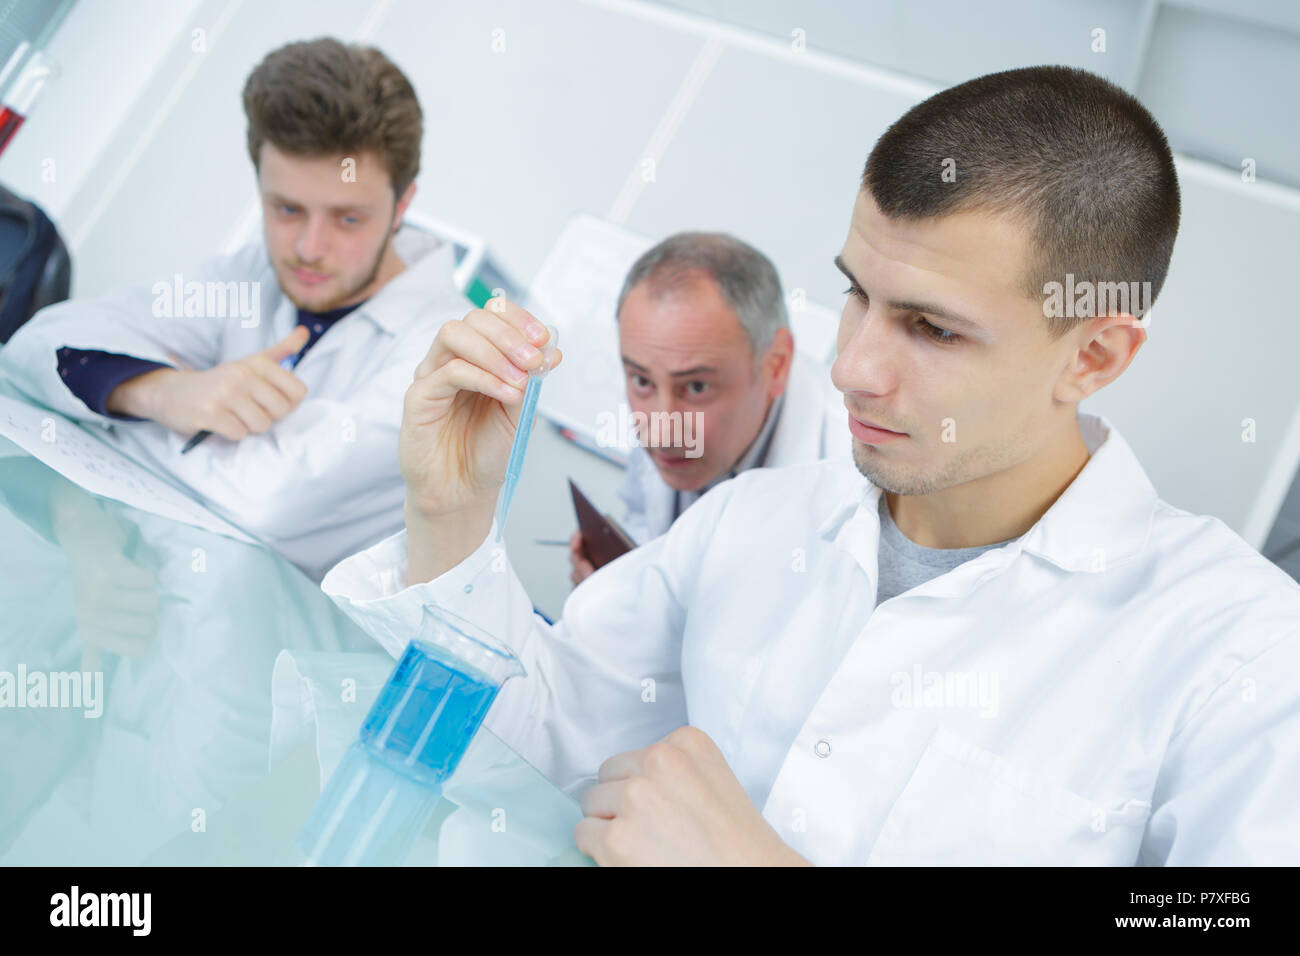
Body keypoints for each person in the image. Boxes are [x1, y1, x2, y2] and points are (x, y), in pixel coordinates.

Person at [321, 65, 1300, 865]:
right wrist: (448, 516)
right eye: (858, 295)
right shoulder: (753, 523)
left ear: (1091, 355)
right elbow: (516, 752)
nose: (852, 366)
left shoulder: (1241, 656)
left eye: (931, 328)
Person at [0, 38, 471, 581]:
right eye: (287, 208)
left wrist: (117, 411)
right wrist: (164, 392)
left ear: (403, 206)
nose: (309, 248)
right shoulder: (250, 273)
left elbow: (268, 507)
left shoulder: (443, 349)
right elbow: (38, 344)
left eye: (348, 219)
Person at [569, 232, 845, 585]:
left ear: (775, 365)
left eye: (697, 387)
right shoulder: (672, 420)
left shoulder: (853, 472)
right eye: (641, 381)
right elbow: (649, 528)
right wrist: (618, 595)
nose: (660, 432)